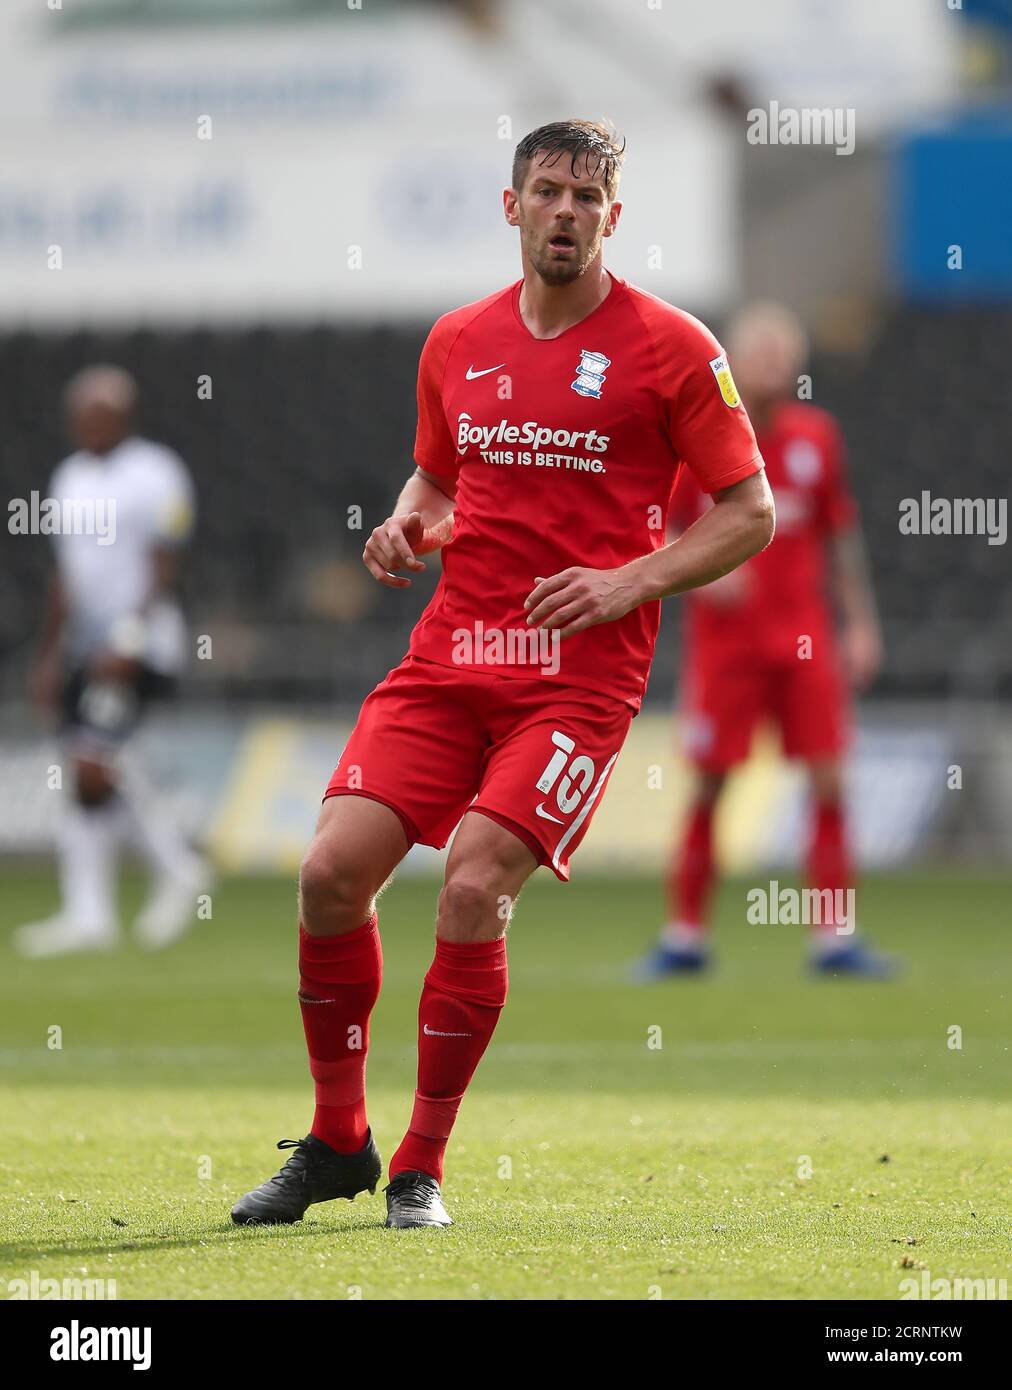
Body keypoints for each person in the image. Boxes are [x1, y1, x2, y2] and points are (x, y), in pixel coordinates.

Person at [231, 119, 775, 1232]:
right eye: (548, 191)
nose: (566, 210)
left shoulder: (674, 349)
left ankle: (419, 1164)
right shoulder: (455, 340)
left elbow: (749, 514)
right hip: (452, 655)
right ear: (511, 205)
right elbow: (437, 484)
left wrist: (630, 581)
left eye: (587, 195)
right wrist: (403, 528)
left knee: (475, 886)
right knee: (331, 871)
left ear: (614, 216)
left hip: (577, 682)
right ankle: (338, 1140)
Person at [633, 302, 896, 981]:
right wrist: (699, 573)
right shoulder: (703, 437)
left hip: (805, 637)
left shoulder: (818, 436)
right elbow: (651, 529)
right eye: (761, 354)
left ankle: (833, 938)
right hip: (728, 647)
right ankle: (684, 935)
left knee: (829, 779)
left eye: (784, 354)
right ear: (735, 363)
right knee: (712, 783)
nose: (774, 365)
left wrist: (860, 623)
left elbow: (840, 534)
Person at [16, 366, 207, 958]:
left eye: (98, 415)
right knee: (88, 771)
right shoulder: (68, 477)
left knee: (92, 762)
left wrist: (128, 637)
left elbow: (163, 564)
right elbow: (66, 577)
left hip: (139, 644)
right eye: (80, 416)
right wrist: (49, 654)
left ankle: (168, 874)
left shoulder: (155, 472)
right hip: (84, 645)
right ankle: (93, 912)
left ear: (123, 417)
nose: (86, 426)